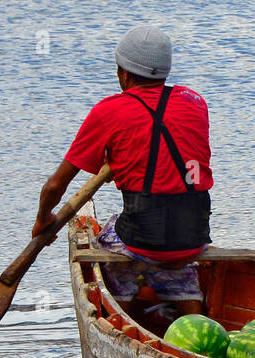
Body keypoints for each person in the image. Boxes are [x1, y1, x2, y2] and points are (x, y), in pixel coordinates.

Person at [33, 24, 214, 325]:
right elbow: (169, 154)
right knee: (172, 253)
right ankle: (189, 306)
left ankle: (124, 315)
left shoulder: (109, 111)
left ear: (125, 75)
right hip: (195, 235)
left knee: (109, 238)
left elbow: (55, 185)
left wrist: (43, 219)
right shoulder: (195, 102)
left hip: (144, 239)